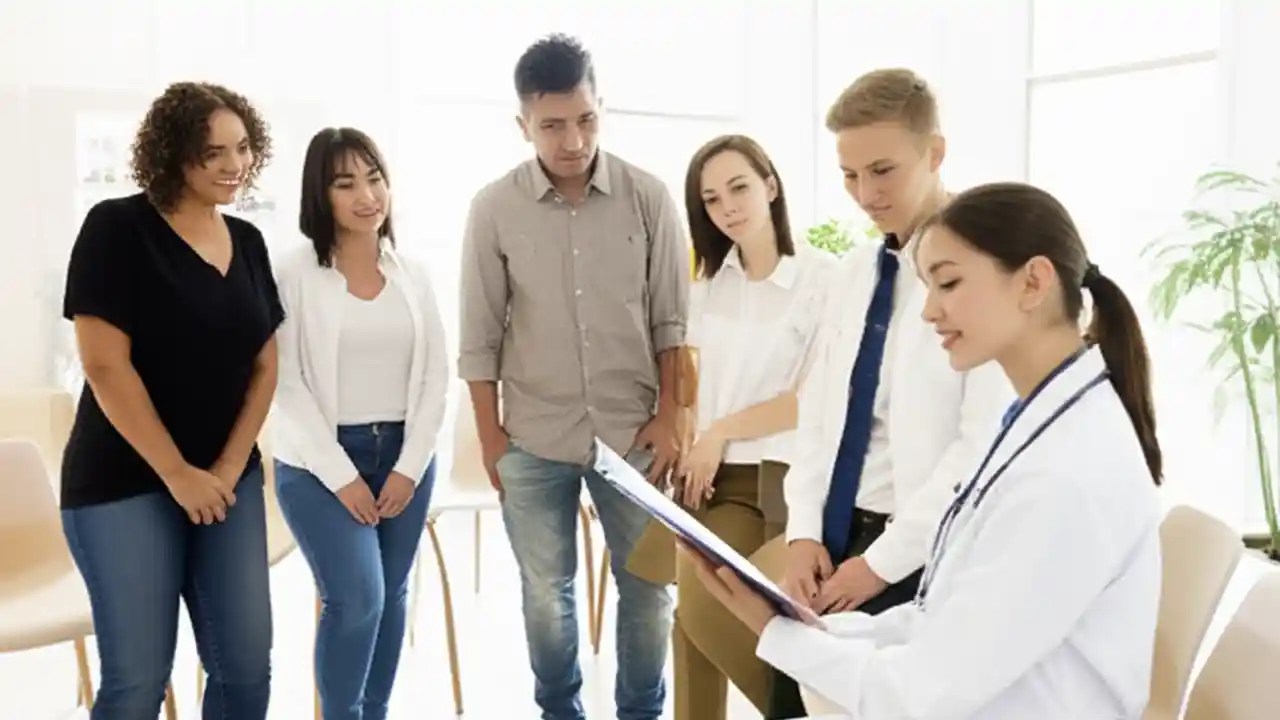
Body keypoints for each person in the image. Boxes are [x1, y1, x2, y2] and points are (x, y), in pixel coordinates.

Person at [684, 180, 1165, 719]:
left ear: (1033, 282)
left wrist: (776, 630)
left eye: (949, 283)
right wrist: (812, 630)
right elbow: (943, 620)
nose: (929, 311)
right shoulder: (1041, 423)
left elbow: (922, 694)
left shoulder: (1062, 475)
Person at [765, 68, 1012, 717]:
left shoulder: (981, 276)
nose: (865, 194)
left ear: (935, 153)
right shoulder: (854, 274)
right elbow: (820, 416)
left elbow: (977, 449)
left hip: (919, 556)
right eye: (849, 175)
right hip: (836, 539)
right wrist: (802, 533)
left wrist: (880, 565)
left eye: (882, 171)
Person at [457, 33, 689, 720]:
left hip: (634, 435)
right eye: (553, 125)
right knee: (545, 593)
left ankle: (640, 713)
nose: (574, 140)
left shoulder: (648, 197)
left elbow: (673, 324)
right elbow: (479, 337)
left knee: (649, 589)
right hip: (533, 437)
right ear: (523, 124)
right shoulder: (493, 208)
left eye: (586, 119)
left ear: (600, 108)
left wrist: (672, 415)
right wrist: (492, 440)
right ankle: (560, 711)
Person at [59, 81, 279, 719]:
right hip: (123, 482)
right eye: (213, 152)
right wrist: (178, 473)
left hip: (226, 483)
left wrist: (228, 468)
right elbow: (104, 364)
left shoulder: (249, 242)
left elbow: (266, 365)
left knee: (246, 671)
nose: (234, 165)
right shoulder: (116, 228)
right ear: (174, 154)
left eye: (242, 148)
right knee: (138, 682)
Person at [271, 127, 447, 720]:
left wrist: (409, 467)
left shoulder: (413, 273)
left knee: (391, 596)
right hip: (319, 464)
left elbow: (436, 377)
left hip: (403, 456)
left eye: (375, 179)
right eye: (346, 184)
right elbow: (286, 382)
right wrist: (341, 475)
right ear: (320, 195)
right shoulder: (293, 272)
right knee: (358, 597)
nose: (367, 196)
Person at [666, 134, 835, 720]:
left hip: (792, 479)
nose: (728, 207)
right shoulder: (710, 285)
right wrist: (692, 436)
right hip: (720, 480)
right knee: (693, 612)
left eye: (738, 188)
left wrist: (719, 432)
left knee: (763, 619)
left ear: (771, 185)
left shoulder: (824, 278)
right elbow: (689, 382)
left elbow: (810, 401)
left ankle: (801, 708)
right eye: (711, 199)